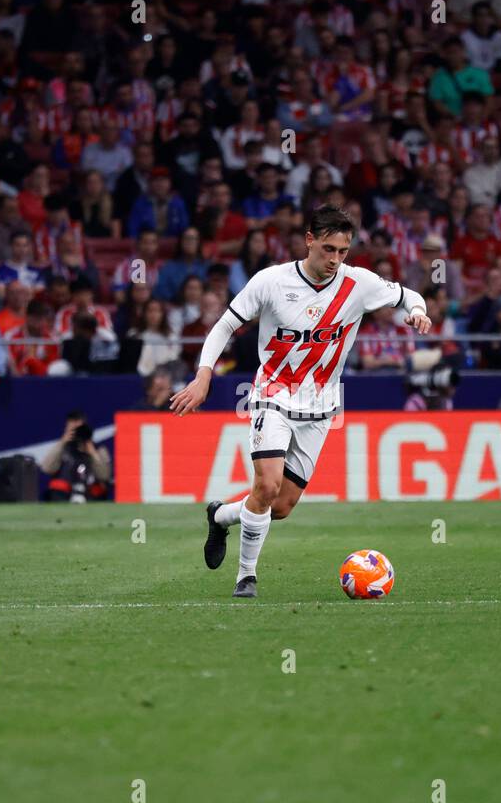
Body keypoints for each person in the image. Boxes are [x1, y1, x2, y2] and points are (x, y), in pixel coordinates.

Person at [170, 205, 432, 599]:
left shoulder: (357, 284)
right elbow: (225, 324)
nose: (335, 260)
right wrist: (203, 374)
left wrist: (416, 310)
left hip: (321, 408)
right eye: (328, 249)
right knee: (267, 484)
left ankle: (220, 515)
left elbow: (407, 294)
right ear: (309, 239)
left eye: (343, 251)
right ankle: (246, 578)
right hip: (271, 396)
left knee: (280, 506)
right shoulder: (271, 281)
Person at [40, 410, 112, 502]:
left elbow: (104, 476)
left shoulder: (99, 449)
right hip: (64, 495)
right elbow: (47, 469)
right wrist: (62, 442)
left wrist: (93, 453)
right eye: (73, 429)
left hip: (90, 495)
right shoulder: (62, 447)